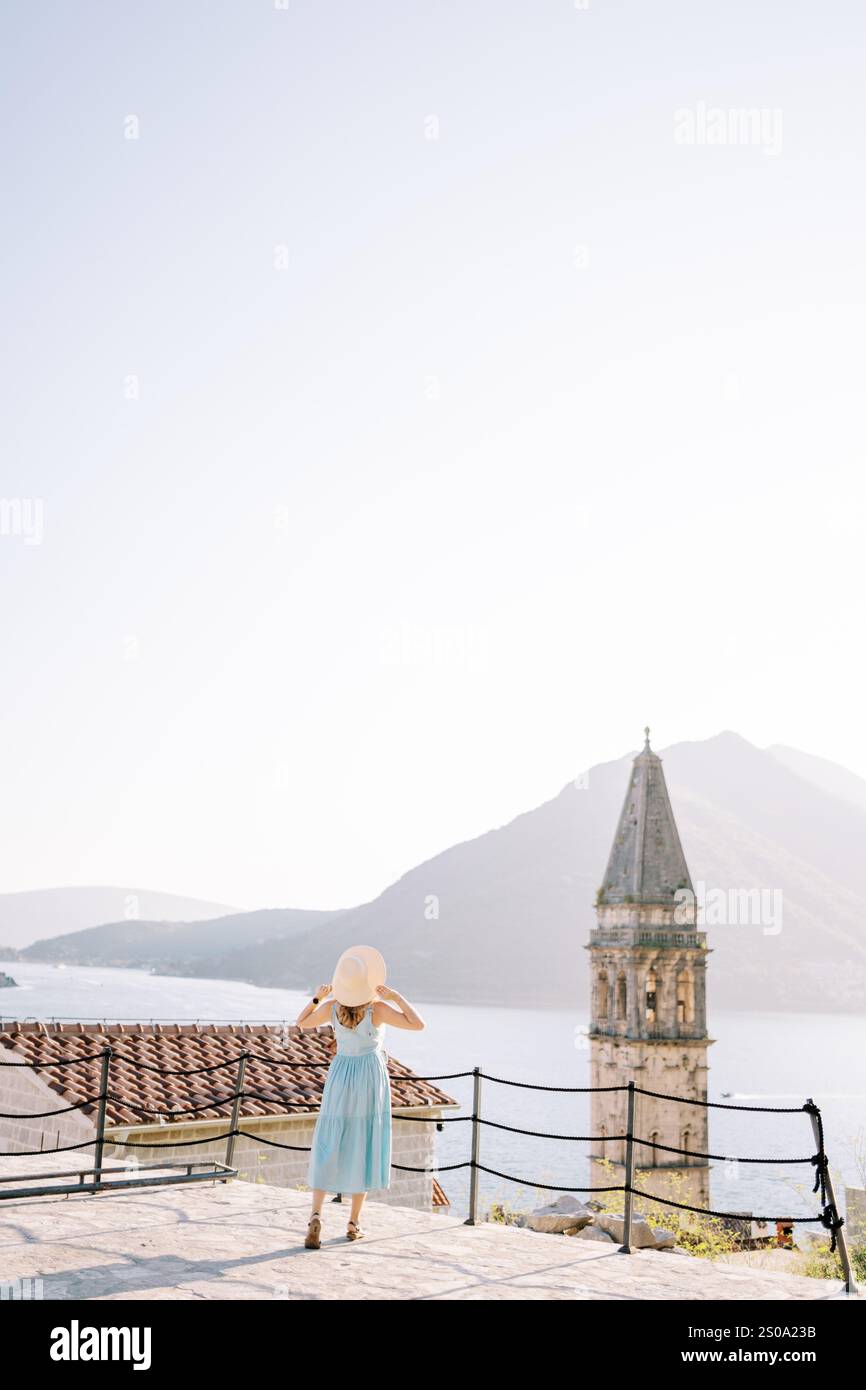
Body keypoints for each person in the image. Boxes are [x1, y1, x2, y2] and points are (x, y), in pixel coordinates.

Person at [295, 945, 425, 1248]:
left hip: (341, 1075)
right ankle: (354, 1223)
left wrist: (317, 996)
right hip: (368, 1077)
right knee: (363, 1142)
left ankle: (316, 1215)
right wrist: (397, 997)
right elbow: (418, 1024)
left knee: (330, 1140)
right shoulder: (377, 1010)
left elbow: (302, 1022)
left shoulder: (331, 1008)